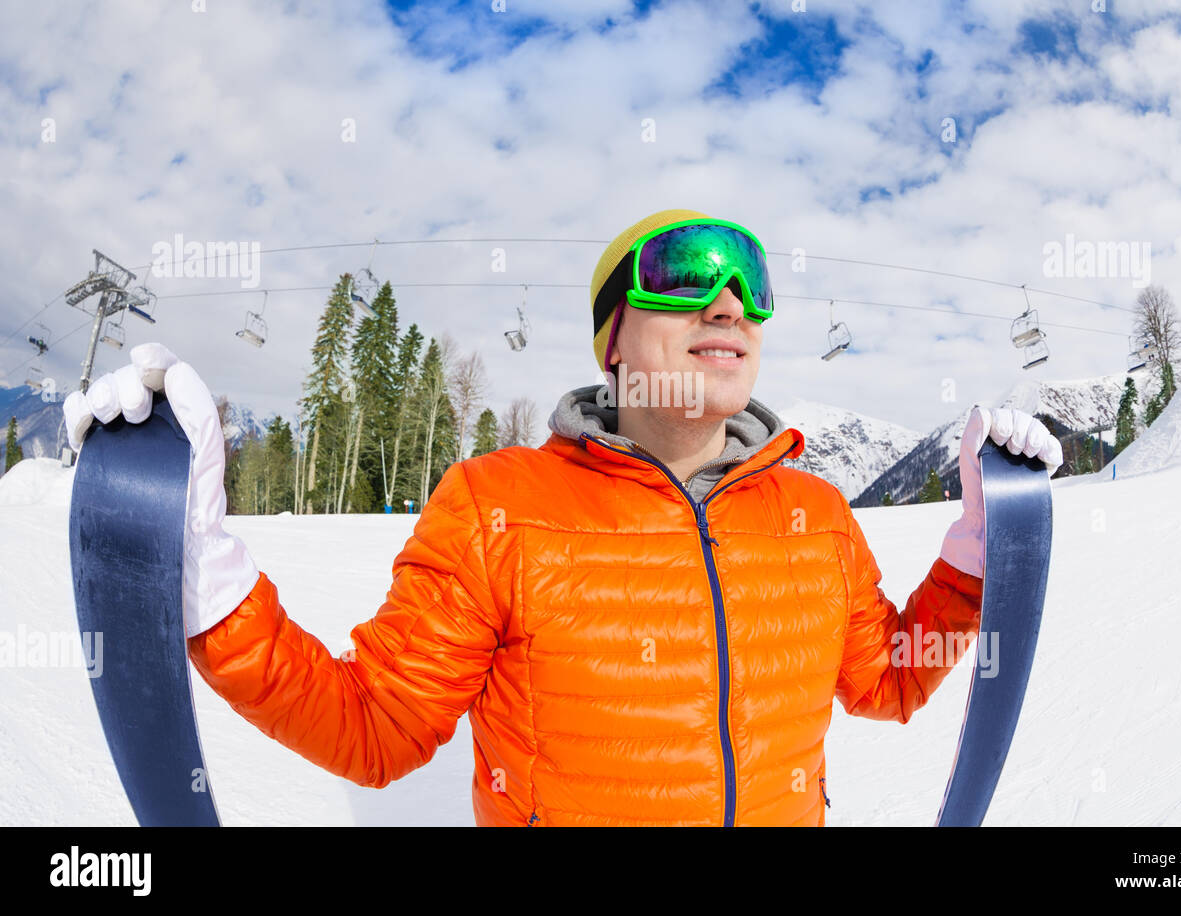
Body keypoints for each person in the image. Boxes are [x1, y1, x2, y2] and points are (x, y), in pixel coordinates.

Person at [63, 208, 1063, 826]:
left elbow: (885, 680)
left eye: (749, 283)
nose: (728, 302)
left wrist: (978, 557)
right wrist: (202, 579)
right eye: (684, 274)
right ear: (611, 344)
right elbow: (376, 728)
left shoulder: (812, 511)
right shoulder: (499, 505)